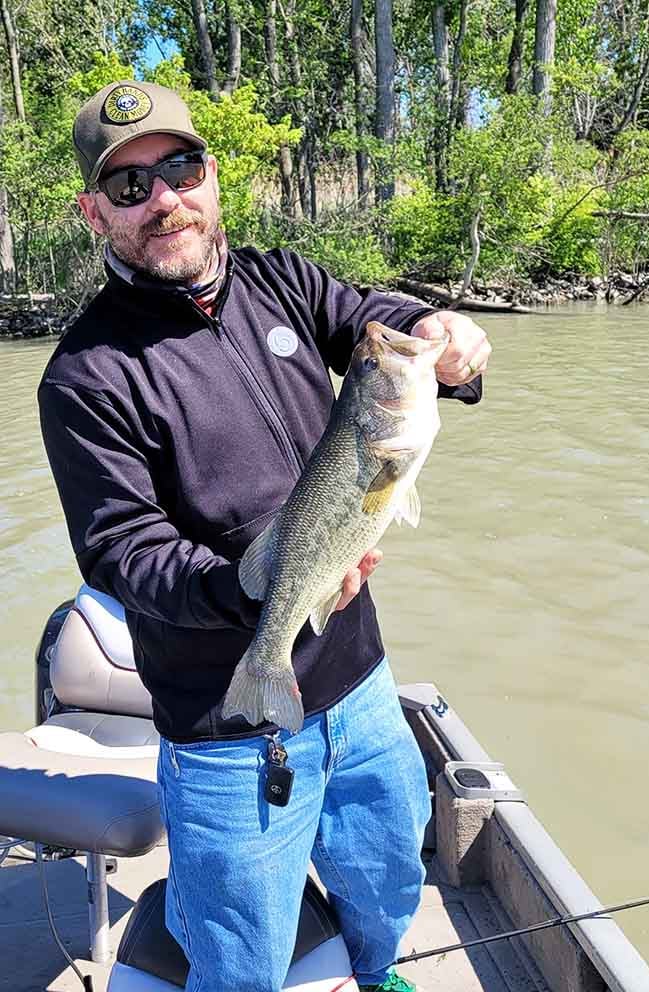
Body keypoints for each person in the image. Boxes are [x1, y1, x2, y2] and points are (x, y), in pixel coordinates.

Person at [38, 81, 491, 992]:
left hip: (360, 685)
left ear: (212, 178)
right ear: (95, 212)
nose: (163, 199)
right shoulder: (84, 378)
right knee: (240, 951)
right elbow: (125, 554)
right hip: (224, 726)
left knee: (386, 877)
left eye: (180, 168)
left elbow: (376, 325)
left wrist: (438, 335)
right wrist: (258, 590)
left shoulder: (282, 277)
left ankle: (379, 974)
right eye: (129, 187)